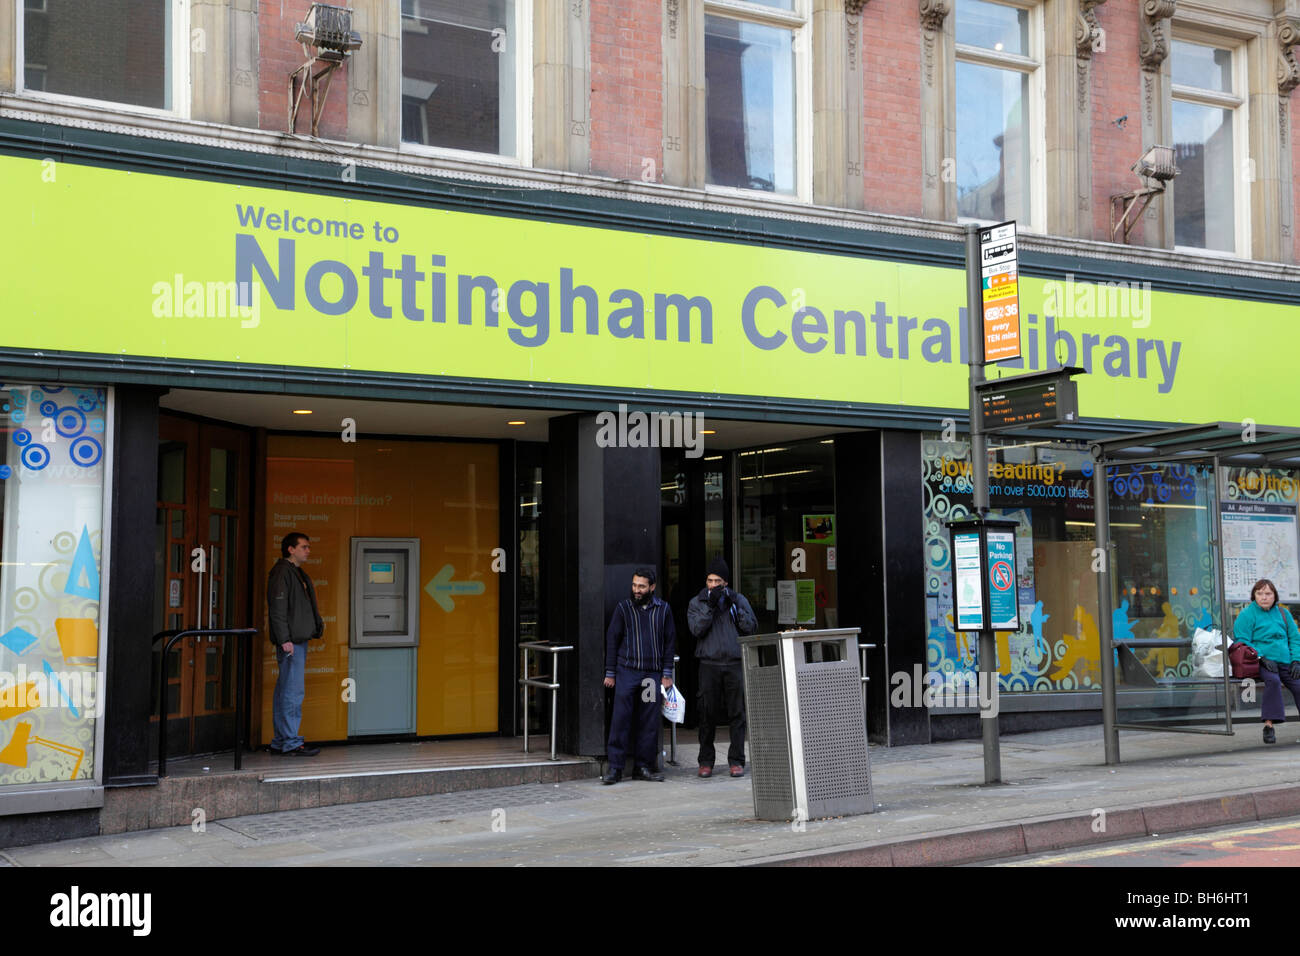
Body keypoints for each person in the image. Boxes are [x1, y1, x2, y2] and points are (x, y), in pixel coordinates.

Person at [603, 567, 676, 784]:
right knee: (620, 720)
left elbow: (670, 642)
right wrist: (610, 673)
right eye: (634, 585)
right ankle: (615, 768)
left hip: (650, 675)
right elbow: (612, 640)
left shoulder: (663, 610)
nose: (637, 590)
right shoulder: (623, 608)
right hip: (627, 672)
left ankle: (643, 767)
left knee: (648, 721)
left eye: (642, 586)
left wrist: (666, 673)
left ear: (652, 587)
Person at [687, 557, 756, 778]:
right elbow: (697, 629)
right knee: (707, 714)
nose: (713, 585)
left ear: (725, 582)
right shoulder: (697, 602)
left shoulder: (738, 600)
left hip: (734, 663)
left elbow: (751, 628)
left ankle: (736, 761)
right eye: (710, 580)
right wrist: (711, 606)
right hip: (709, 664)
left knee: (737, 714)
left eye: (718, 581)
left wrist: (735, 606)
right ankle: (705, 761)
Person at [267, 531, 324, 756]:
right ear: (290, 549)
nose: (308, 551)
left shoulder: (294, 572)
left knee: (286, 690)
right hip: (291, 642)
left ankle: (281, 741)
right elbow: (277, 609)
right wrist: (284, 639)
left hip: (295, 639)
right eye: (304, 547)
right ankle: (290, 742)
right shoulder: (283, 572)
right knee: (292, 691)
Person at [1233, 577, 1300, 745]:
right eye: (1259, 593)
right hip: (1262, 661)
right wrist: (1261, 656)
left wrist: (1296, 660)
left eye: (1268, 593)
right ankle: (1269, 726)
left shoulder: (1284, 613)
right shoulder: (1247, 614)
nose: (1264, 597)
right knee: (1273, 682)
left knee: (1299, 685)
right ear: (1254, 595)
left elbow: (1295, 639)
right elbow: (1242, 639)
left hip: (1286, 661)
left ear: (1275, 596)